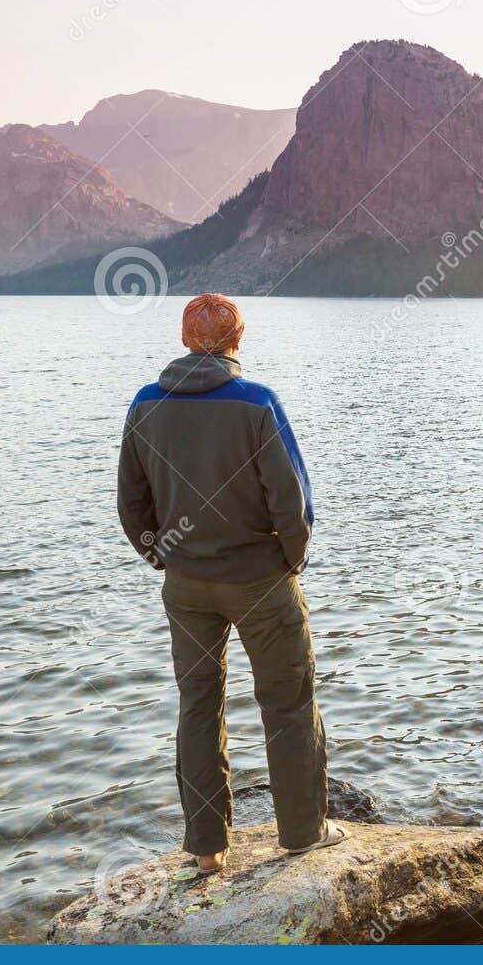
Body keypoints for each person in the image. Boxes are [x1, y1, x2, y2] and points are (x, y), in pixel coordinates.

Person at [117, 293, 343, 873]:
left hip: (187, 587)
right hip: (261, 581)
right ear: (237, 341)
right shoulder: (257, 402)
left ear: (185, 340)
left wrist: (162, 557)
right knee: (288, 703)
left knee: (198, 705)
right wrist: (291, 561)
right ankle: (302, 833)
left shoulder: (145, 404)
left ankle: (206, 849)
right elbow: (292, 504)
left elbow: (130, 505)